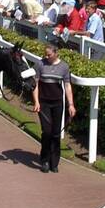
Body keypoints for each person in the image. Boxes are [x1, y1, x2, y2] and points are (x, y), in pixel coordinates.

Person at [32, 43, 75, 174]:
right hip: (43, 103)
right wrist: (36, 102)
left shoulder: (64, 67)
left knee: (56, 133)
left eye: (49, 54)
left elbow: (67, 86)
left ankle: (54, 162)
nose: (46, 56)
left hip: (57, 103)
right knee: (47, 131)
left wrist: (71, 104)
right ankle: (44, 160)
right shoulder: (40, 64)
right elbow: (35, 84)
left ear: (56, 53)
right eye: (45, 54)